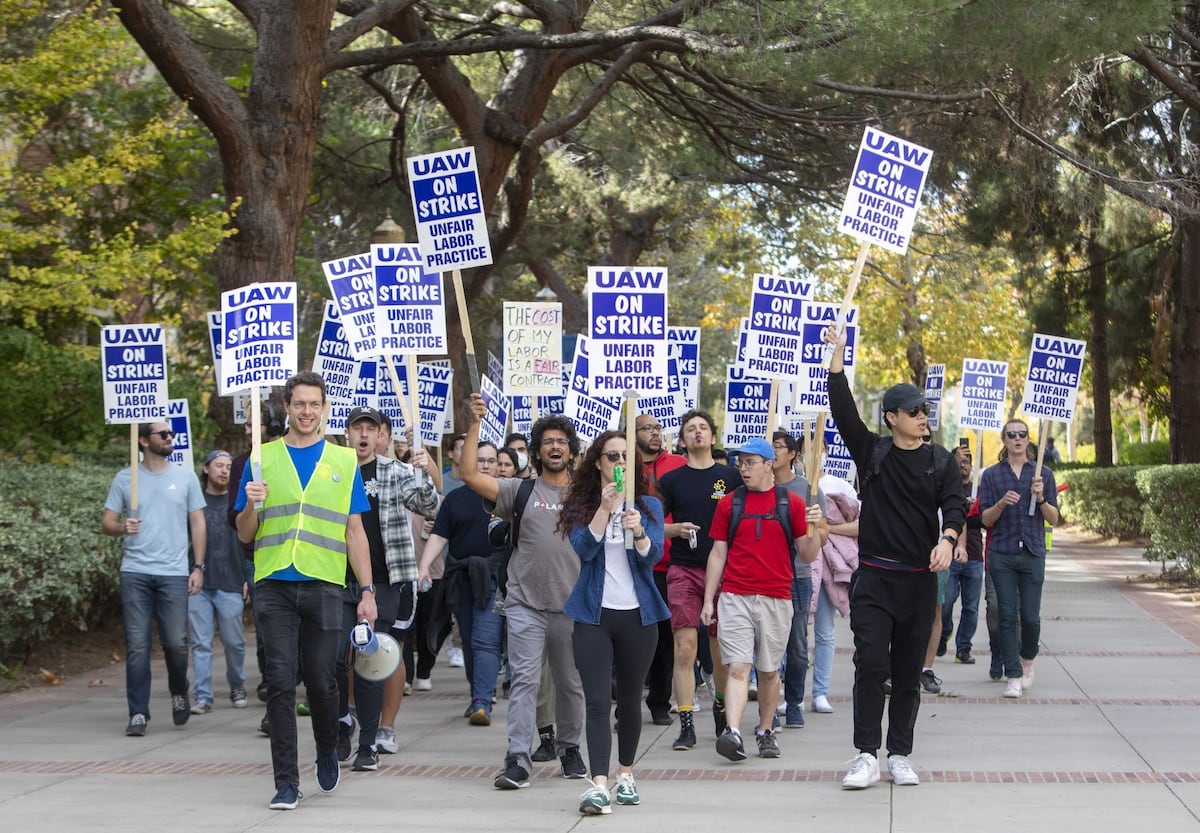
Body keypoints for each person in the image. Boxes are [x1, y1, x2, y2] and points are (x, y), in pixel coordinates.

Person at [824, 326, 966, 790]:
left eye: (925, 410)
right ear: (891, 418)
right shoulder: (872, 452)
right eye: (914, 411)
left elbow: (955, 505)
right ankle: (865, 754)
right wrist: (838, 358)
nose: (924, 417)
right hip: (875, 580)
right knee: (871, 665)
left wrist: (947, 539)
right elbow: (842, 409)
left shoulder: (941, 461)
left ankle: (900, 753)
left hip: (919, 583)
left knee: (908, 672)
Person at [235, 371, 378, 811]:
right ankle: (285, 782)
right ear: (286, 407)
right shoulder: (261, 459)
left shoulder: (343, 460)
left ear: (324, 409)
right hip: (274, 583)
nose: (306, 411)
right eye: (299, 403)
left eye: (314, 404)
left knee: (321, 680)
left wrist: (368, 592)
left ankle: (327, 748)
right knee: (279, 683)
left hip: (323, 584)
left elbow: (355, 531)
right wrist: (253, 504)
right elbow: (244, 534)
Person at [459, 393, 586, 790]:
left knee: (570, 683)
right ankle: (517, 758)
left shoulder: (587, 496)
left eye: (561, 441)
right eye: (547, 441)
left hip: (572, 607)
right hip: (525, 604)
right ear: (536, 450)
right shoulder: (519, 491)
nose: (554, 446)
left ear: (571, 450)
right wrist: (475, 423)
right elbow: (468, 476)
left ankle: (569, 749)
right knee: (525, 681)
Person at [561, 431, 668, 814]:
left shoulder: (649, 505)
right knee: (595, 701)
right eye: (612, 456)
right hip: (593, 615)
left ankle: (625, 774)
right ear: (597, 462)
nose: (619, 462)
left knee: (629, 701)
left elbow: (651, 557)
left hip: (638, 617)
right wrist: (604, 511)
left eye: (626, 456)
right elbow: (583, 549)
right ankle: (598, 784)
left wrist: (638, 530)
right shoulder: (581, 504)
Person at [701, 438, 822, 762]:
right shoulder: (729, 503)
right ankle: (734, 732)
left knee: (769, 671)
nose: (743, 468)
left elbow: (808, 554)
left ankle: (765, 731)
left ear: (769, 464)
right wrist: (709, 600)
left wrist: (815, 529)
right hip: (735, 596)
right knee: (738, 667)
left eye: (750, 462)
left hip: (776, 597)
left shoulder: (791, 504)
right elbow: (717, 552)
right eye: (740, 462)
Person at [334, 407, 439, 772]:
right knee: (334, 660)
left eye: (370, 429)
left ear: (380, 434)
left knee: (370, 660)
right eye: (355, 428)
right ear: (346, 433)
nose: (362, 435)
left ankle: (368, 743)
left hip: (384, 582)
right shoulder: (332, 470)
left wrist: (423, 471)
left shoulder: (395, 472)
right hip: (335, 579)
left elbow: (430, 506)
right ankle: (342, 721)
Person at [102, 421, 207, 737]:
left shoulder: (185, 476)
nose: (170, 438)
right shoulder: (126, 478)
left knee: (176, 643)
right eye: (163, 434)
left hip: (173, 572)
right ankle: (137, 713)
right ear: (144, 441)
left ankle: (179, 690)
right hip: (135, 571)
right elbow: (107, 522)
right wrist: (123, 528)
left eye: (171, 434)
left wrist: (198, 566)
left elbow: (198, 523)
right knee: (137, 646)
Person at [657, 409, 742, 750]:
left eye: (703, 428)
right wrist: (673, 529)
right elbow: (648, 522)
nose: (697, 433)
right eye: (690, 429)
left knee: (721, 651)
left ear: (712, 436)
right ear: (682, 440)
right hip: (683, 570)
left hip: (725, 574)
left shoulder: (732, 477)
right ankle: (687, 723)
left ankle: (722, 711)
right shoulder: (672, 481)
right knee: (684, 649)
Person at [419, 441, 505, 726]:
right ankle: (478, 694)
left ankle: (483, 699)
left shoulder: (508, 496)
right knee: (468, 639)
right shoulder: (455, 499)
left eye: (490, 460)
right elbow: (440, 535)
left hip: (494, 578)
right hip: (461, 577)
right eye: (479, 459)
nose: (485, 465)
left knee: (485, 639)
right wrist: (423, 567)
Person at [979, 420, 1060, 698]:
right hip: (1002, 553)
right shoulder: (991, 475)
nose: (1017, 439)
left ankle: (1028, 660)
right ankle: (1012, 675)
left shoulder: (1043, 475)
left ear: (1028, 439)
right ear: (1004, 440)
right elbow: (984, 518)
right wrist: (1000, 504)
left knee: (1030, 617)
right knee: (1005, 615)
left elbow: (1054, 518)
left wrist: (1040, 498)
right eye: (1011, 434)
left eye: (1022, 434)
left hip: (1033, 552)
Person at [771, 430, 827, 728]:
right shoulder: (756, 487)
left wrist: (814, 525)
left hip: (796, 575)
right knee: (767, 645)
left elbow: (825, 535)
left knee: (795, 644)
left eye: (779, 447)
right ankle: (769, 709)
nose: (773, 451)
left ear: (793, 453)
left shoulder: (808, 488)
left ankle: (793, 703)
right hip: (765, 574)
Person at [636, 413, 687, 726]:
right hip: (632, 564)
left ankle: (658, 701)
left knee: (666, 639)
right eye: (647, 428)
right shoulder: (623, 464)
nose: (655, 433)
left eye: (658, 428)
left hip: (669, 564)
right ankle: (625, 705)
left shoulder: (678, 465)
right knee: (632, 636)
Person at [188, 450, 248, 715]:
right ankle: (203, 695)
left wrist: (247, 578)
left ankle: (237, 684)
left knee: (234, 641)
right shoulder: (194, 502)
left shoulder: (237, 501)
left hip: (232, 582)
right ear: (205, 469)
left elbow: (247, 541)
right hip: (199, 584)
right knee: (201, 643)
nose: (224, 470)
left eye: (227, 466)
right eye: (218, 465)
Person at [810, 473, 860, 714]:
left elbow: (861, 524)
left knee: (824, 631)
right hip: (799, 567)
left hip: (827, 569)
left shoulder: (838, 486)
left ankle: (820, 692)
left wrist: (828, 528)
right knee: (789, 635)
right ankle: (791, 694)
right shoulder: (791, 484)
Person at [940, 445, 985, 665]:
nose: (964, 463)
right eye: (960, 459)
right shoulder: (948, 487)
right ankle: (944, 629)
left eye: (968, 460)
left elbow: (986, 519)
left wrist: (975, 510)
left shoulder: (979, 490)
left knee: (971, 607)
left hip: (975, 555)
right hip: (950, 555)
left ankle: (963, 648)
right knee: (946, 601)